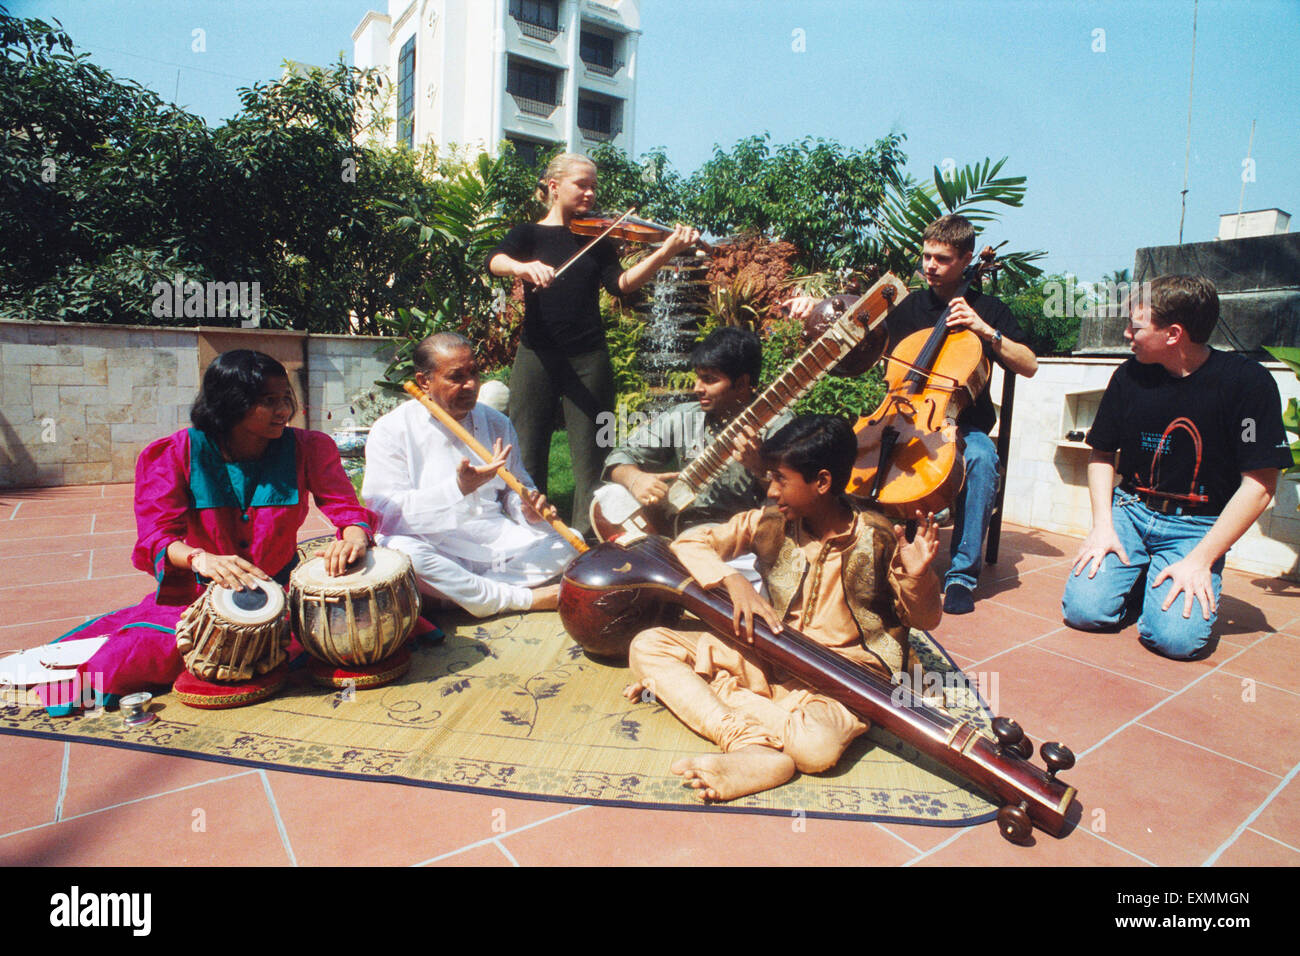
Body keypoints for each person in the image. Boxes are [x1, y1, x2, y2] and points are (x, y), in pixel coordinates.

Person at [623, 415, 942, 802]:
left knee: (815, 748)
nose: (770, 490)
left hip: (843, 678)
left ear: (822, 483)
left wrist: (919, 578)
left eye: (780, 479)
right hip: (770, 653)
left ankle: (713, 694)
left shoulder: (877, 537)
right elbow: (689, 542)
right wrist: (731, 580)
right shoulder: (770, 523)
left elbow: (925, 619)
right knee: (648, 646)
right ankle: (747, 744)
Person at [42, 350, 375, 714]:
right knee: (138, 655)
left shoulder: (309, 447)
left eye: (285, 399)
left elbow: (344, 507)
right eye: (268, 401)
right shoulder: (174, 453)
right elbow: (157, 536)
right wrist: (201, 558)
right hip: (200, 597)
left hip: (282, 589)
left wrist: (354, 535)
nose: (283, 410)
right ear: (230, 403)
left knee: (354, 631)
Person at [786, 214, 1037, 614]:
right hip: (896, 412)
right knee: (845, 447)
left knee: (983, 459)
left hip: (957, 426)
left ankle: (960, 577)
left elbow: (1029, 364)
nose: (929, 267)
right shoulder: (904, 305)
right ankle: (846, 545)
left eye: (941, 259)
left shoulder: (988, 308)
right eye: (926, 257)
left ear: (966, 259)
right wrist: (812, 310)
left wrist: (986, 331)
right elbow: (850, 324)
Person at [1062, 275, 1290, 660]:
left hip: (1195, 527)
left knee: (1176, 642)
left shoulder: (1247, 383)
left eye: (1135, 326)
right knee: (1084, 612)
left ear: (1173, 334)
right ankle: (1137, 580)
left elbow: (1261, 484)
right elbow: (1101, 454)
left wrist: (1201, 559)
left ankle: (1159, 577)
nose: (1125, 334)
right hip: (1130, 512)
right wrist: (1103, 526)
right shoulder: (1130, 375)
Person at [487, 152, 700, 538]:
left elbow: (621, 285)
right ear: (554, 186)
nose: (590, 193)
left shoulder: (597, 237)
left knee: (595, 449)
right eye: (581, 185)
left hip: (589, 357)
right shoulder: (528, 235)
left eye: (593, 186)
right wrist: (522, 267)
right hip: (537, 354)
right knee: (527, 446)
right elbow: (495, 260)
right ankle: (530, 532)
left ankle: (589, 536)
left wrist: (665, 251)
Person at [363, 332, 575, 617]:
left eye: (474, 373)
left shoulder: (497, 422)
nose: (471, 385)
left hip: (493, 543)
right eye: (456, 377)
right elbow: (384, 515)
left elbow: (514, 488)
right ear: (425, 381)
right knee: (399, 552)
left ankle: (465, 596)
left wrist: (527, 509)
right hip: (432, 544)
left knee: (567, 539)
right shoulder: (391, 430)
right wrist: (457, 488)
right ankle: (523, 598)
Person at [600, 326, 784, 533]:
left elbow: (797, 501)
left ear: (741, 383)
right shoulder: (683, 416)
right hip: (682, 528)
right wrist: (635, 479)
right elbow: (619, 457)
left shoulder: (777, 425)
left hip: (744, 536)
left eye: (710, 380)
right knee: (613, 495)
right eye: (698, 377)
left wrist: (760, 471)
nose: (697, 388)